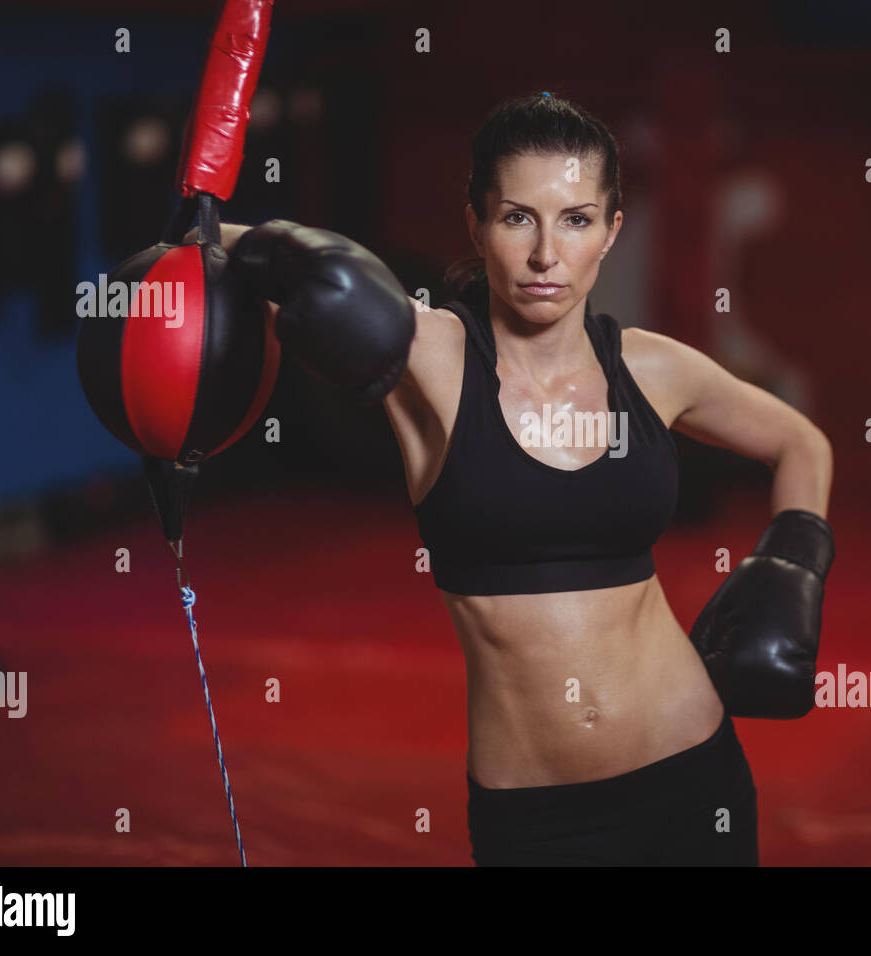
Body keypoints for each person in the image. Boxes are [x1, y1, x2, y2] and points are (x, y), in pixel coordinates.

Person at [219, 92, 834, 866]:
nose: (547, 254)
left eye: (576, 219)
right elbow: (311, 273)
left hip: (695, 774)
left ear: (612, 231)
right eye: (518, 218)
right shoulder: (436, 362)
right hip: (538, 820)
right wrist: (205, 236)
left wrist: (788, 568)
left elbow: (800, 443)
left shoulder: (652, 367)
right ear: (476, 225)